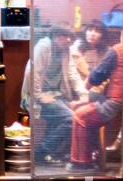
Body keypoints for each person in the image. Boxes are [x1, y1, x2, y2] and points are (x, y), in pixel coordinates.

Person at [20, 25, 86, 167]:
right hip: (38, 97)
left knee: (75, 116)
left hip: (55, 95)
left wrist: (83, 94)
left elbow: (72, 73)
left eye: (70, 37)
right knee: (71, 118)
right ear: (55, 36)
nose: (68, 40)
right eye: (64, 36)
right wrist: (38, 96)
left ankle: (47, 154)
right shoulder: (43, 47)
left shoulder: (65, 51)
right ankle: (41, 151)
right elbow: (32, 73)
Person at [70, 33, 123, 172]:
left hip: (116, 101)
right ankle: (95, 152)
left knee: (81, 116)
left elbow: (97, 75)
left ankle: (82, 163)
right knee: (87, 104)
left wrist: (88, 85)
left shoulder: (118, 50)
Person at [71, 20, 112, 90]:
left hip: (100, 89)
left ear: (103, 36)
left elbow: (108, 76)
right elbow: (73, 76)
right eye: (90, 30)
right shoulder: (75, 50)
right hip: (80, 89)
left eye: (97, 31)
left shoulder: (108, 52)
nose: (92, 34)